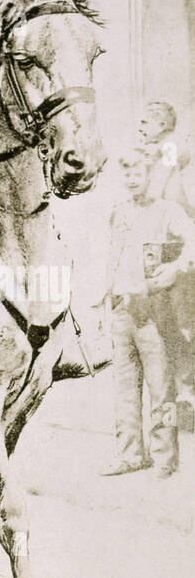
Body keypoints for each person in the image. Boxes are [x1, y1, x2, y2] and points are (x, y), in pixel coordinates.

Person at [103, 148, 195, 478]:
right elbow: (114, 258)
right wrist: (105, 297)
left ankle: (164, 459)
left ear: (150, 174)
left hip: (153, 312)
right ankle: (129, 455)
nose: (132, 179)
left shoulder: (167, 210)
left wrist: (176, 267)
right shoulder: (117, 213)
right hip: (121, 311)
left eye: (138, 173)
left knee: (161, 388)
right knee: (124, 390)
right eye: (126, 173)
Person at [136, 101, 195, 426]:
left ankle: (187, 394)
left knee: (182, 325)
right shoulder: (153, 155)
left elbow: (176, 159)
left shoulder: (172, 149)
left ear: (162, 124)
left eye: (146, 122)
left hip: (179, 248)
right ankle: (178, 397)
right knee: (164, 328)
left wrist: (155, 154)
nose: (141, 127)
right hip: (155, 249)